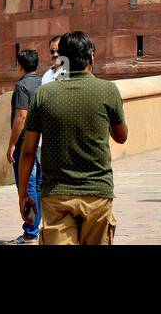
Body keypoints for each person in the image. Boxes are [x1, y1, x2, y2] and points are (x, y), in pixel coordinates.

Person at [18, 31, 127, 244]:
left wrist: (23, 194)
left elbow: (28, 150)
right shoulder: (108, 90)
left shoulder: (44, 94)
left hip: (56, 194)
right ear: (92, 57)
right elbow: (121, 136)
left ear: (62, 59)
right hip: (97, 193)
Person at [5, 48, 43, 243]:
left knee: (27, 186)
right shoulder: (43, 83)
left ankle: (30, 232)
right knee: (37, 186)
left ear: (19, 65)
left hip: (25, 144)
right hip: (41, 142)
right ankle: (35, 228)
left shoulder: (22, 86)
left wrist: (11, 145)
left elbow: (21, 116)